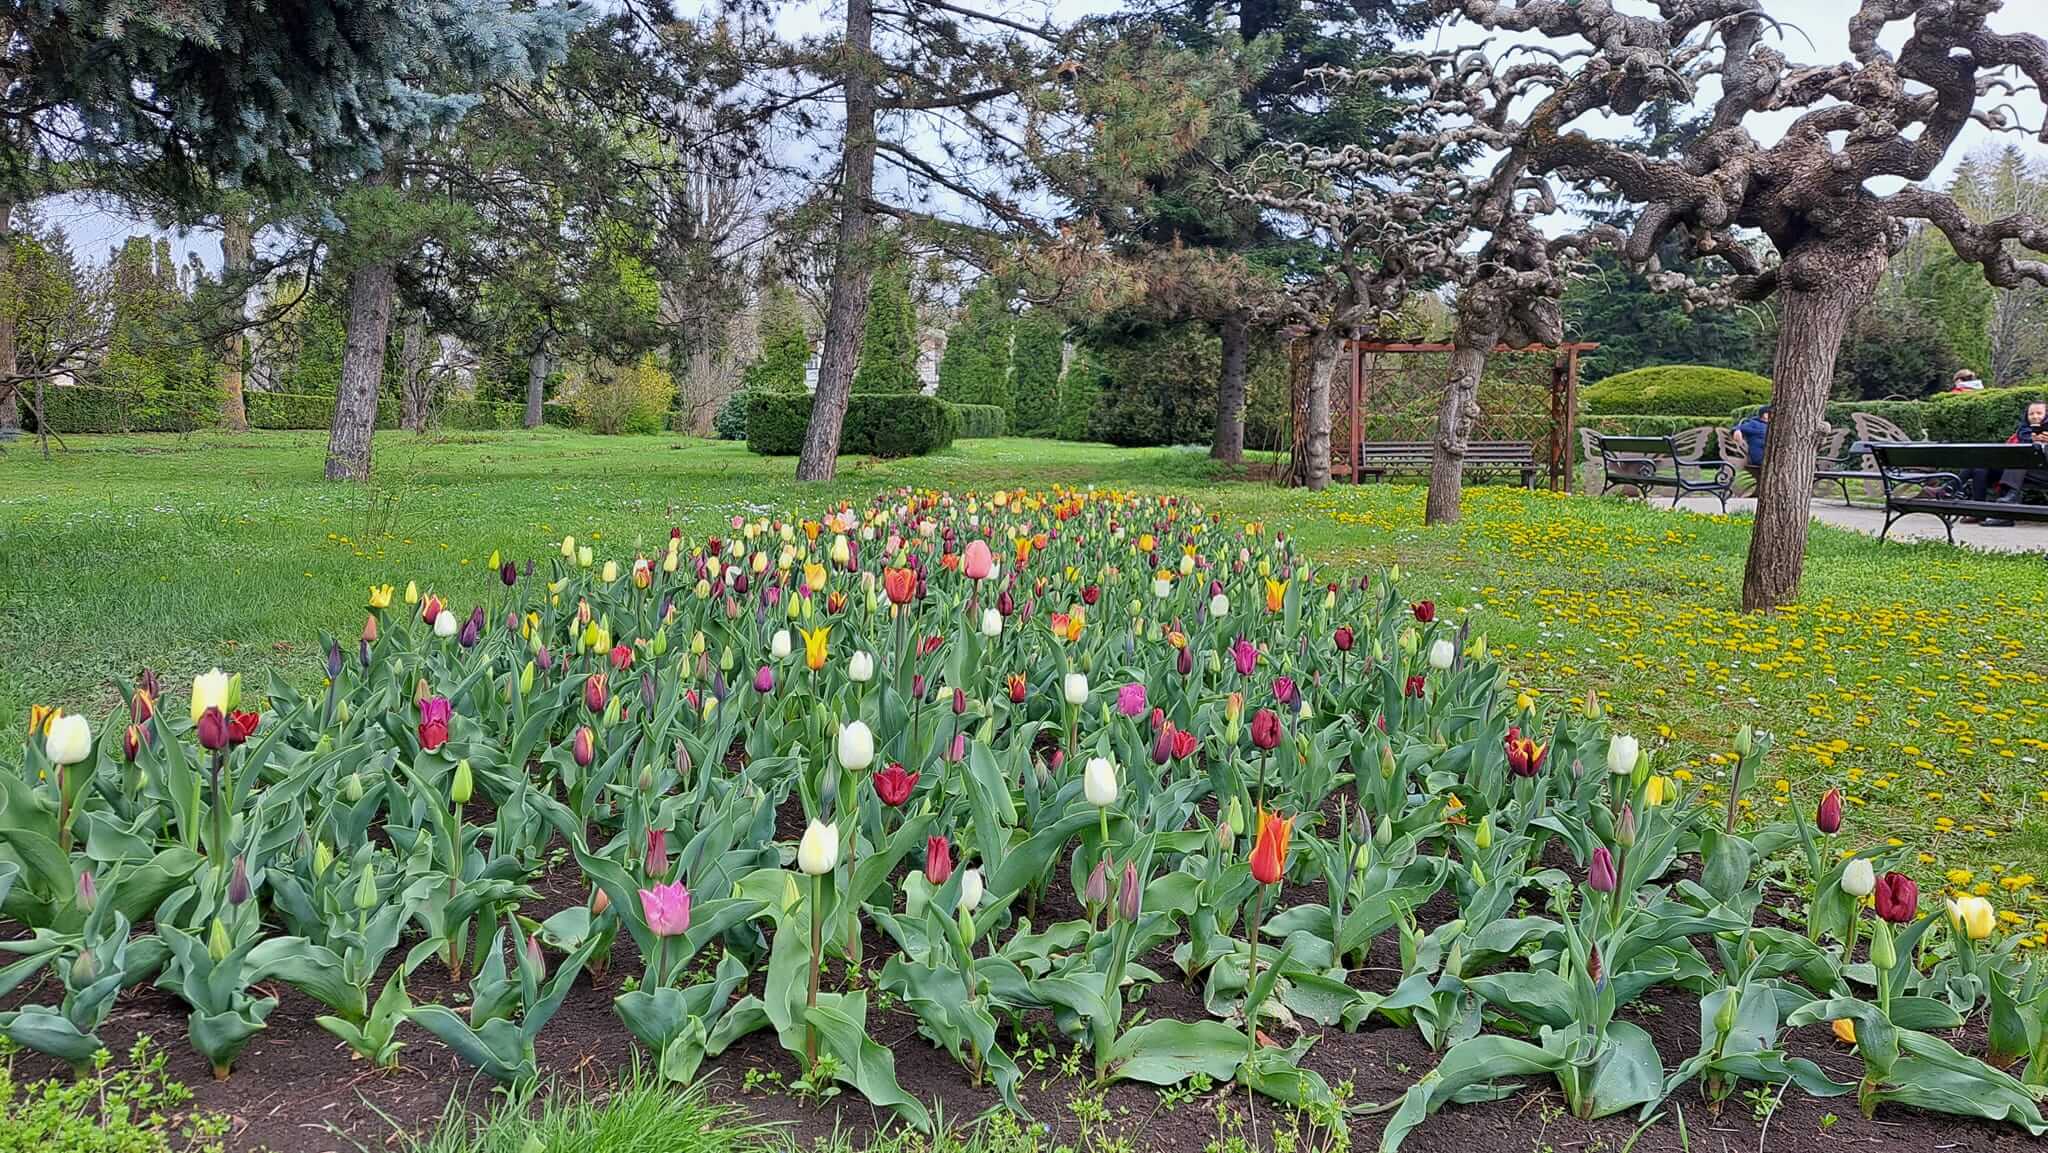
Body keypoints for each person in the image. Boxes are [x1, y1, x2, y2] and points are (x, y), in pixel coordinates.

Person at [1966, 400, 2048, 527]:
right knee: (1980, 466)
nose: (2035, 416)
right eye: (2031, 414)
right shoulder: (2023, 431)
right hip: (2023, 470)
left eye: (2039, 413)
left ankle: (2006, 508)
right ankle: (1979, 511)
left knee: (2018, 458)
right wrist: (2031, 440)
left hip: (2042, 471)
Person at [1734, 405, 1770, 495]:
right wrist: (1737, 430)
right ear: (1765, 415)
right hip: (1759, 457)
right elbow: (1739, 427)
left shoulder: (1773, 425)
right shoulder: (1754, 424)